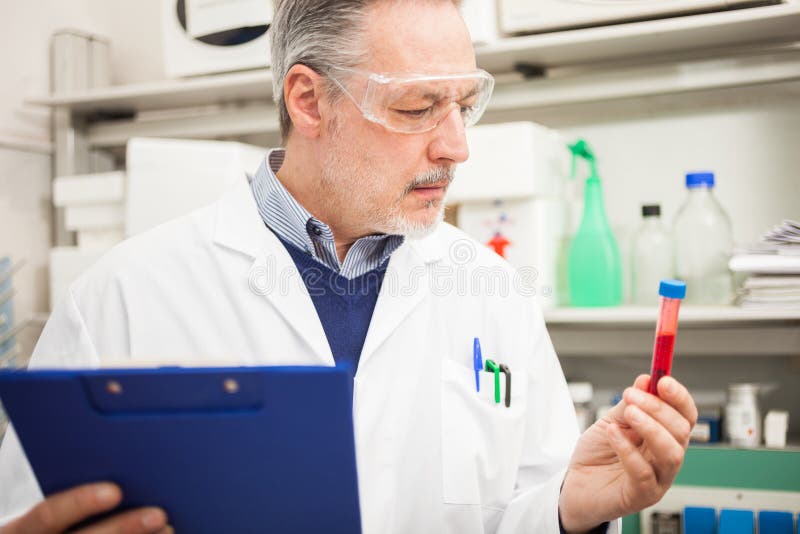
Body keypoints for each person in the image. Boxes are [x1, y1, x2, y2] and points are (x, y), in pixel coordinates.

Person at [0, 1, 698, 532]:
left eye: (463, 104)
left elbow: (520, 506)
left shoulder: (493, 291)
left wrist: (569, 509)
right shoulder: (122, 299)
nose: (457, 146)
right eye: (418, 107)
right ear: (308, 100)